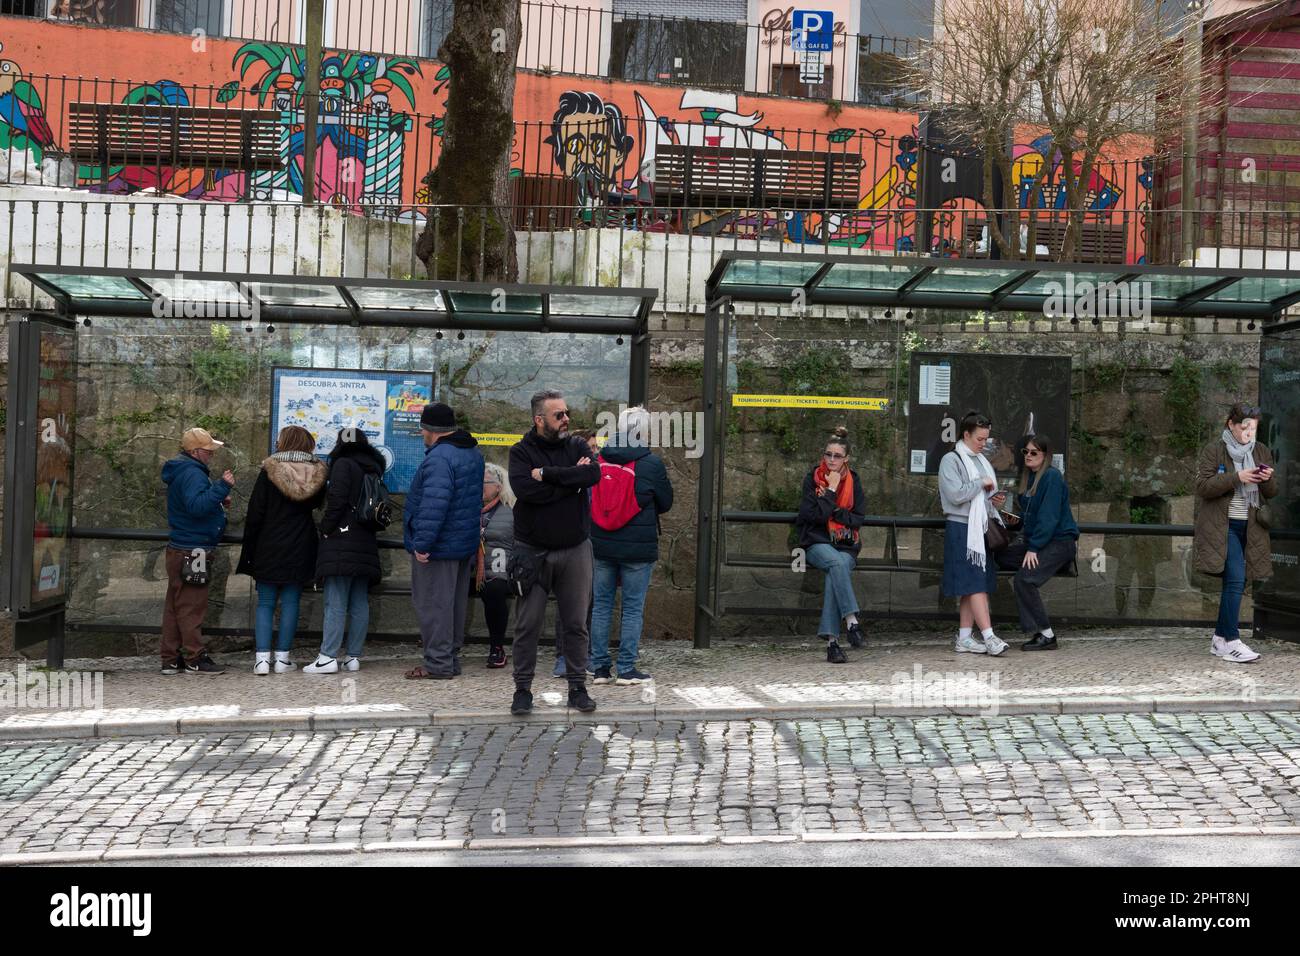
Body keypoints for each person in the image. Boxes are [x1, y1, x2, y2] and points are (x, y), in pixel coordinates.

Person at [507, 389, 601, 716]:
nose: (566, 419)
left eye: (567, 413)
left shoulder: (576, 445)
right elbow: (524, 490)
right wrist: (569, 484)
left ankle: (578, 687)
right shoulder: (521, 452)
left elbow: (592, 474)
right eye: (558, 415)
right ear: (539, 419)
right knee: (527, 624)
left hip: (574, 549)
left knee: (575, 623)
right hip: (531, 551)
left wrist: (548, 475)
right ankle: (522, 690)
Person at [588, 406, 674, 684]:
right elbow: (666, 502)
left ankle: (599, 667)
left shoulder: (599, 459)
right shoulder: (651, 463)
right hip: (638, 547)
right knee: (632, 607)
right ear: (645, 430)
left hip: (601, 543)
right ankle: (626, 668)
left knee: (601, 605)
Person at [236, 425, 327, 674]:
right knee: (291, 602)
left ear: (284, 442)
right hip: (301, 543)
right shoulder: (317, 472)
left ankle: (262, 660)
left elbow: (256, 512)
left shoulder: (269, 471)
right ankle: (283, 659)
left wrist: (250, 548)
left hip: (269, 542)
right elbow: (319, 505)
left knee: (265, 602)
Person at [403, 403, 485, 680]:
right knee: (453, 604)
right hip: (462, 543)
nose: (422, 434)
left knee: (434, 604)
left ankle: (437, 664)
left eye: (423, 429)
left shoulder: (440, 458)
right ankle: (449, 659)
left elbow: (434, 505)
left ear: (431, 430)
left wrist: (422, 544)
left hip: (439, 546)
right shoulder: (471, 452)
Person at [1193, 403, 1277, 663]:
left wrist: (1267, 479)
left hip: (1251, 528)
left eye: (1253, 428)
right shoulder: (1214, 450)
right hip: (1223, 527)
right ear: (1231, 424)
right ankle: (1231, 640)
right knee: (1236, 580)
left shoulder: (1260, 450)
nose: (1249, 433)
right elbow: (1203, 486)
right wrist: (1237, 477)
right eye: (1245, 427)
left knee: (1239, 581)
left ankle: (1220, 639)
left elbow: (1271, 493)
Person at [303, 427, 385, 674]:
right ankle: (353, 656)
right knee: (359, 600)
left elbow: (337, 499)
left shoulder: (343, 464)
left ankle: (327, 657)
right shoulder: (374, 468)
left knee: (335, 600)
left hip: (341, 539)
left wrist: (326, 528)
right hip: (365, 540)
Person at [159, 427, 234, 675]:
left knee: (174, 606)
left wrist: (216, 499)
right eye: (208, 450)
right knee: (192, 605)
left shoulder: (181, 470)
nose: (211, 455)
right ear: (195, 451)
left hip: (180, 547)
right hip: (194, 550)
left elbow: (196, 502)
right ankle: (195, 658)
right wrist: (222, 487)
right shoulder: (193, 473)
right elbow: (196, 507)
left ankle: (170, 659)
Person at [996, 434, 1078, 650]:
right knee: (1001, 556)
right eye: (1026, 452)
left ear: (1045, 455)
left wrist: (1033, 549)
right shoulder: (1028, 479)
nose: (1029, 456)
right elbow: (1030, 518)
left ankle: (1046, 634)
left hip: (1060, 542)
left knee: (1025, 579)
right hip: (1041, 541)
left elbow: (1049, 518)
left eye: (1034, 452)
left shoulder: (1051, 477)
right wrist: (1005, 515)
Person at [939, 411, 1009, 656]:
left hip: (980, 525)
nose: (983, 444)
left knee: (972, 584)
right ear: (966, 434)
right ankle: (989, 636)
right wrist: (981, 483)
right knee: (975, 583)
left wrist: (995, 500)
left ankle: (965, 636)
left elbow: (983, 495)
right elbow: (956, 494)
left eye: (986, 439)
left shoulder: (980, 459)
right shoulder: (951, 460)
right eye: (980, 439)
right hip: (961, 526)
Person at [795, 425, 867, 664]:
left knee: (835, 570)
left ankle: (833, 644)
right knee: (837, 564)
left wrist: (833, 510)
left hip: (845, 544)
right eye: (828, 454)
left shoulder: (854, 481)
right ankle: (852, 621)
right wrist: (832, 490)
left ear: (846, 458)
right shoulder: (812, 479)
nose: (832, 459)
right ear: (823, 455)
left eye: (837, 456)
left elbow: (858, 518)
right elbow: (811, 517)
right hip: (816, 542)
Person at [474, 463, 515, 669]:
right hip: (472, 567)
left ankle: (496, 646)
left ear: (499, 486)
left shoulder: (510, 509)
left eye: (485, 483)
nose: (480, 487)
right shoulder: (469, 507)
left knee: (495, 590)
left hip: (500, 569)